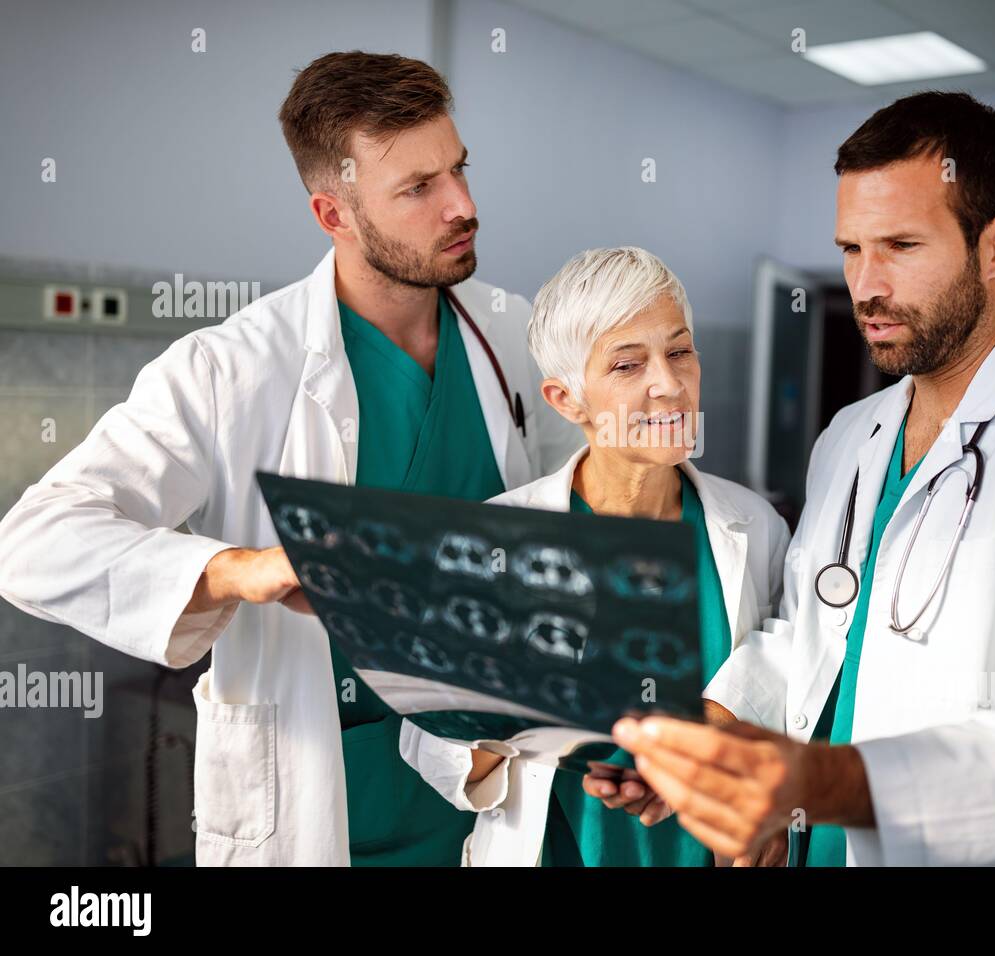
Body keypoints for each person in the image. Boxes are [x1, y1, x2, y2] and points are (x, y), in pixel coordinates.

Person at [0, 51, 580, 866]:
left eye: (459, 169)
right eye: (418, 188)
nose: (463, 206)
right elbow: (32, 541)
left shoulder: (513, 336)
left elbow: (582, 516)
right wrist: (241, 569)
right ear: (333, 214)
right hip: (321, 796)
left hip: (495, 787)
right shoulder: (227, 369)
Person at [612, 91, 995, 867]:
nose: (865, 285)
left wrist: (822, 779)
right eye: (851, 248)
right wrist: (711, 746)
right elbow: (811, 633)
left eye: (901, 246)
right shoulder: (851, 437)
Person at [398, 247, 791, 866]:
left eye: (680, 351)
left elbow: (786, 691)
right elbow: (427, 747)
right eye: (629, 364)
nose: (668, 383)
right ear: (566, 399)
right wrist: (508, 710)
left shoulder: (755, 526)